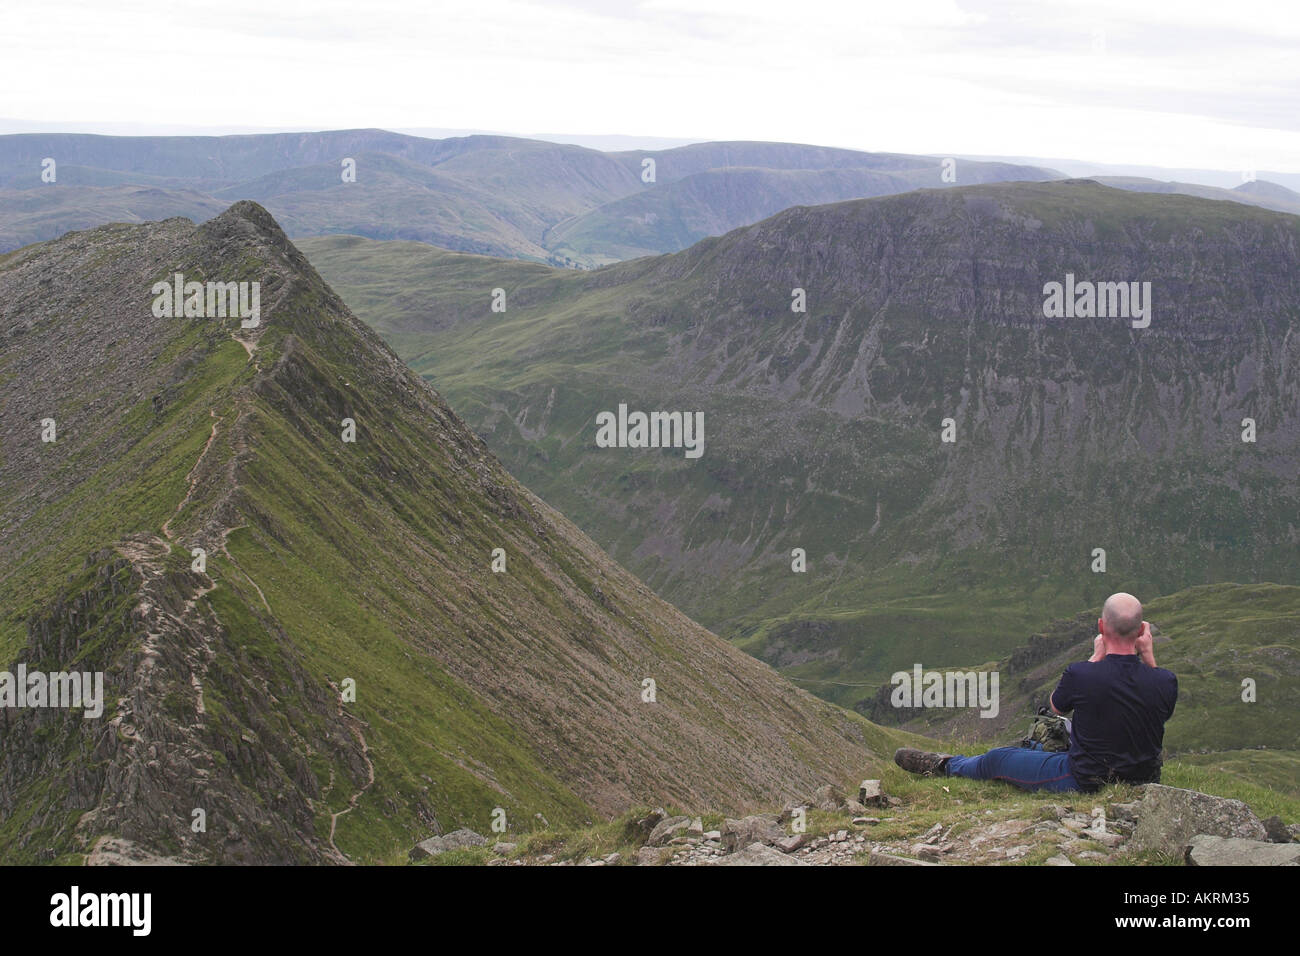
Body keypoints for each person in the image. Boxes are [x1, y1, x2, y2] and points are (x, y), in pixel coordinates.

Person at [894, 592, 1178, 793]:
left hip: (1086, 779)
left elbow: (1056, 708)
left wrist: (1094, 658)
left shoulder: (1082, 673)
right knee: (1047, 744)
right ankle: (1028, 752)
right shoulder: (1165, 680)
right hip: (1143, 779)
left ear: (1101, 627)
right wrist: (1149, 656)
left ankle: (943, 765)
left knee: (998, 758)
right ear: (1142, 630)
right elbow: (1157, 707)